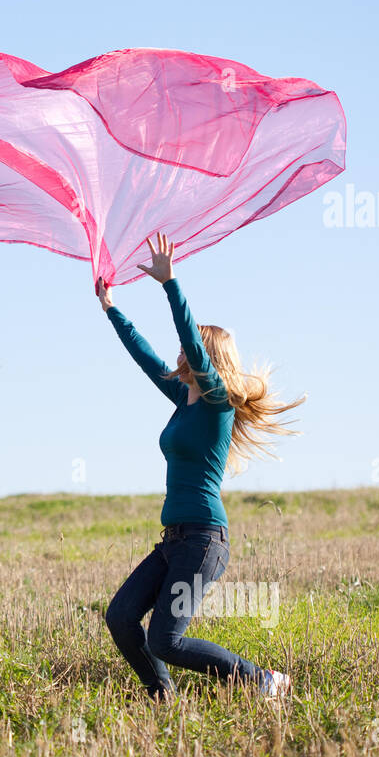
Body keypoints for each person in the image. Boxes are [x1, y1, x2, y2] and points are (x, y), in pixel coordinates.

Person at [96, 232, 304, 701]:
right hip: (174, 541)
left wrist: (170, 284)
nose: (178, 352)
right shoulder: (184, 400)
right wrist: (111, 309)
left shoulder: (216, 403)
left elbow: (187, 332)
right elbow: (146, 359)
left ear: (203, 357)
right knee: (121, 616)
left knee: (166, 639)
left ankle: (262, 681)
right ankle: (162, 699)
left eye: (188, 349)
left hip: (204, 540)